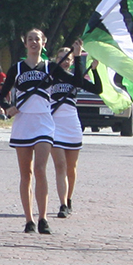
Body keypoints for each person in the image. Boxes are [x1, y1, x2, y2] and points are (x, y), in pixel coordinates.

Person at [0, 28, 56, 234]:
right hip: (23, 123)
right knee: (26, 173)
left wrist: (79, 59)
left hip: (43, 123)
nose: (33, 42)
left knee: (40, 169)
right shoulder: (18, 68)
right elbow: (1, 96)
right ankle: (29, 219)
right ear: (25, 43)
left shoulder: (50, 66)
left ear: (43, 43)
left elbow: (75, 80)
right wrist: (7, 108)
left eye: (37, 39)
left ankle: (43, 218)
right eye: (30, 39)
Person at [48, 41, 103, 218]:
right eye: (61, 58)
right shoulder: (49, 75)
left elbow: (97, 88)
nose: (65, 61)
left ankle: (69, 199)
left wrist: (93, 69)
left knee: (71, 167)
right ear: (56, 59)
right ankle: (63, 204)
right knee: (60, 165)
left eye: (69, 59)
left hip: (71, 124)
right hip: (54, 124)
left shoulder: (74, 77)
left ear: (72, 62)